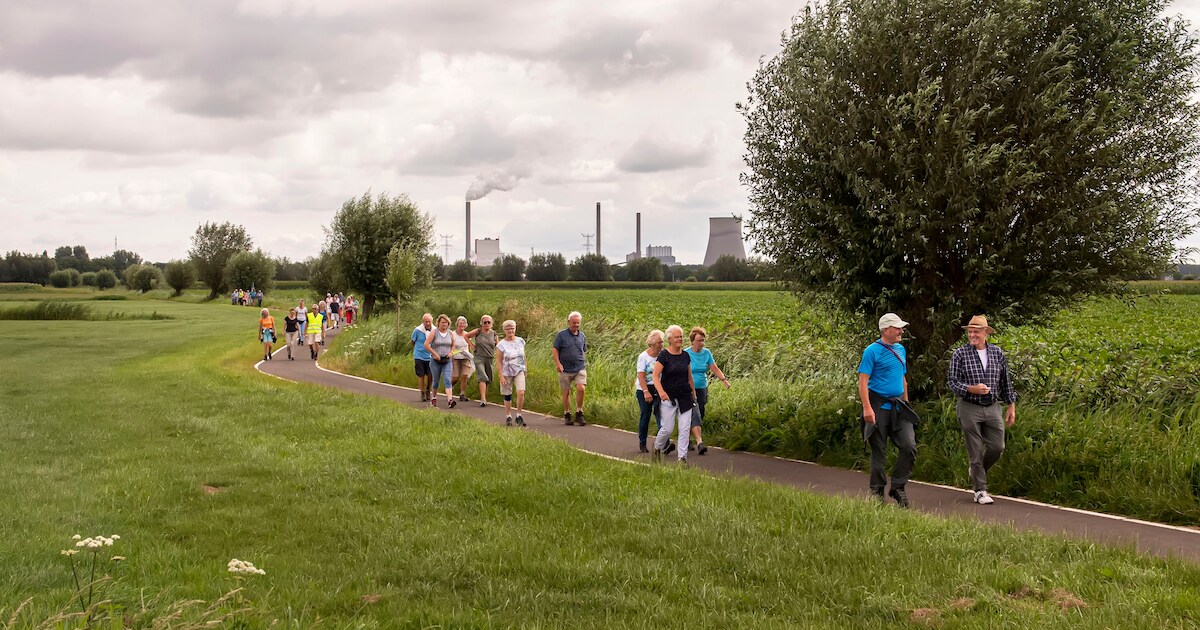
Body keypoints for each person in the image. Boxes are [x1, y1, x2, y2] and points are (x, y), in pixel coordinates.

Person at [948, 315, 1017, 506]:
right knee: (975, 451)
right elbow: (953, 382)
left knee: (997, 447)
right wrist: (971, 389)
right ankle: (980, 490)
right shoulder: (960, 354)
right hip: (969, 406)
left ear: (986, 333)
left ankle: (977, 471)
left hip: (993, 406)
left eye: (976, 332)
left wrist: (1011, 404)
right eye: (970, 332)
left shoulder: (997, 353)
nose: (972, 335)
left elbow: (1005, 382)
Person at [858, 313, 918, 508]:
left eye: (901, 327)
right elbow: (863, 381)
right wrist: (867, 408)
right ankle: (877, 492)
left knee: (909, 446)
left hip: (899, 407)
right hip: (878, 407)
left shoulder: (900, 349)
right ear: (886, 330)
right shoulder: (872, 351)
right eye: (898, 328)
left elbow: (902, 378)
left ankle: (898, 487)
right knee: (879, 451)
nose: (901, 331)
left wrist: (906, 404)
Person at [652, 325, 695, 463]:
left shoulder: (685, 355)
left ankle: (682, 458)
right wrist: (661, 392)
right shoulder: (664, 355)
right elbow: (655, 375)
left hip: (684, 396)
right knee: (667, 429)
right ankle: (657, 448)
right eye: (677, 337)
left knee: (684, 428)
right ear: (670, 339)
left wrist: (693, 392)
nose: (680, 339)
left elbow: (689, 376)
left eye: (681, 336)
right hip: (668, 397)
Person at [686, 326, 730, 456]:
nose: (701, 343)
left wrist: (724, 380)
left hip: (702, 387)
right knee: (695, 413)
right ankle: (697, 441)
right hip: (689, 388)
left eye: (703, 340)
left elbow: (714, 368)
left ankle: (687, 438)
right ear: (692, 341)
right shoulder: (686, 353)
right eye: (699, 340)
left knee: (701, 413)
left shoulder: (707, 353)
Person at [552, 311, 588, 425]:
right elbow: (555, 349)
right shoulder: (561, 335)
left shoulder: (582, 335)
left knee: (581, 388)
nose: (576, 325)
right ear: (568, 322)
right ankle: (567, 413)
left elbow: (584, 350)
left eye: (578, 323)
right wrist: (558, 363)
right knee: (566, 392)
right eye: (574, 322)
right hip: (565, 369)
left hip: (579, 367)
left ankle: (579, 412)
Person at [635, 329, 665, 453]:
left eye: (662, 342)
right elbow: (641, 376)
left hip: (658, 387)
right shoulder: (644, 357)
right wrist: (646, 392)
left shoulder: (663, 355)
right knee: (645, 415)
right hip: (644, 388)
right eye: (659, 342)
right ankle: (642, 443)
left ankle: (664, 443)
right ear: (652, 344)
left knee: (660, 415)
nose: (661, 345)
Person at [496, 319, 527, 427]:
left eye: (512, 328)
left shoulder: (520, 341)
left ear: (515, 329)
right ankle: (508, 416)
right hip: (506, 371)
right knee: (507, 394)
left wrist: (525, 369)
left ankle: (519, 415)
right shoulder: (501, 344)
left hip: (519, 370)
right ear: (504, 330)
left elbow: (523, 356)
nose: (510, 331)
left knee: (521, 392)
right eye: (507, 329)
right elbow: (499, 362)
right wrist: (501, 376)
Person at [424, 314, 456, 408]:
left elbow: (453, 345)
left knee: (447, 379)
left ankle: (450, 400)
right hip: (436, 360)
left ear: (448, 324)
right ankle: (434, 397)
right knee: (436, 381)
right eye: (442, 322)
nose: (444, 324)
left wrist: (451, 352)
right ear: (438, 323)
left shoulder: (450, 333)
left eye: (446, 322)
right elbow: (426, 344)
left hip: (447, 360)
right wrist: (434, 353)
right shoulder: (434, 332)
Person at [466, 315, 497, 408]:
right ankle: (483, 399)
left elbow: (498, 345)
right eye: (485, 322)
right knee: (482, 376)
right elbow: (466, 336)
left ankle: (485, 396)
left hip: (490, 357)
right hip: (479, 357)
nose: (487, 324)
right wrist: (471, 345)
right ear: (481, 323)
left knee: (488, 377)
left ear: (491, 324)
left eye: (489, 322)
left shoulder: (494, 334)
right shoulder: (478, 331)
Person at [411, 313, 434, 402]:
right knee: (421, 375)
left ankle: (428, 388)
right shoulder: (417, 330)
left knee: (430, 375)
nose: (427, 323)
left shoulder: (434, 330)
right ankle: (422, 393)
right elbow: (413, 341)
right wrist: (419, 349)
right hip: (419, 356)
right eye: (426, 321)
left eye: (429, 321)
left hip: (430, 356)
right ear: (423, 321)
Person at [451, 316, 474, 401]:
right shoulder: (452, 334)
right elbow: (451, 346)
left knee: (465, 375)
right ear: (457, 324)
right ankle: (450, 386)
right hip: (456, 357)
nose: (462, 325)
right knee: (455, 377)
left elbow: (469, 345)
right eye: (460, 323)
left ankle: (462, 394)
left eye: (463, 323)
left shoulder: (467, 334)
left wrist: (470, 355)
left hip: (465, 357)